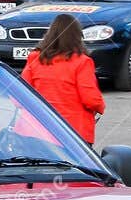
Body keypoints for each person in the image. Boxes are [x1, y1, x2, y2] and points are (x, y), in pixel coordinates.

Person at [20, 14, 106, 144]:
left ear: (50, 34)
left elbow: (21, 95)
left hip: (35, 129)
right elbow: (91, 99)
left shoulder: (35, 58)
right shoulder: (82, 62)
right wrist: (100, 107)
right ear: (77, 37)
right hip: (72, 132)